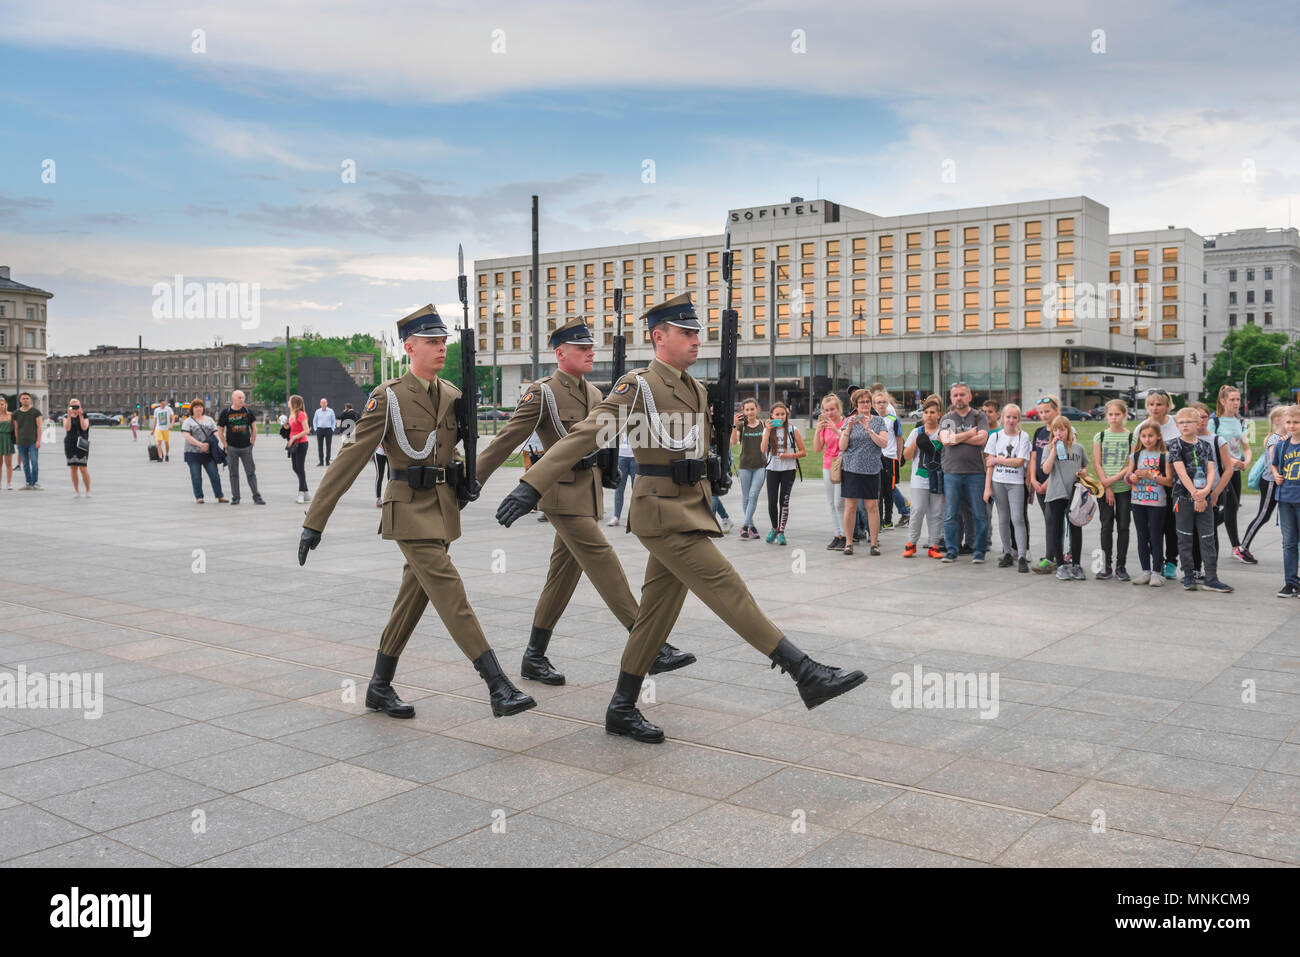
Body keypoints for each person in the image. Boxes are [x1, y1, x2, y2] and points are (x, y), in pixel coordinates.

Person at [494, 293, 866, 743]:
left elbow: (691, 447)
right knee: (728, 587)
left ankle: (622, 708)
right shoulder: (639, 387)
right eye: (686, 333)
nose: (696, 341)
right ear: (659, 337)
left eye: (697, 333)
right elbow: (589, 435)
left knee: (654, 616)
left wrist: (715, 471)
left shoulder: (694, 388)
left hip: (689, 508)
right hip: (660, 514)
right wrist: (532, 484)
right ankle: (804, 672)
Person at [298, 303, 535, 720]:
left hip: (443, 509)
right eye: (431, 342)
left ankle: (378, 687)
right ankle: (498, 685)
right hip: (407, 511)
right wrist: (314, 521)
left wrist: (466, 476)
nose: (441, 348)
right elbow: (349, 460)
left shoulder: (452, 396)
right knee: (450, 592)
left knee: (413, 600)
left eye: (443, 341)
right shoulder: (387, 397)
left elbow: (455, 451)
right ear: (409, 347)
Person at [477, 316, 696, 685]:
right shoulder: (543, 392)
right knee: (601, 556)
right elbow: (508, 438)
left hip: (588, 492)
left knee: (562, 578)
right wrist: (473, 479)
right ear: (561, 353)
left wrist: (607, 467)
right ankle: (649, 641)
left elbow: (604, 437)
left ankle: (534, 657)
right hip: (560, 493)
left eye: (591, 346)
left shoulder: (596, 393)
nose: (590, 352)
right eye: (581, 348)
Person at [1167, 407, 1232, 592]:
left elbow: (1211, 470)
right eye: (1181, 422)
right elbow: (1180, 471)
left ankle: (1211, 577)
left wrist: (1205, 492)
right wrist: (1195, 493)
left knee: (1207, 537)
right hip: (1183, 498)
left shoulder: (1205, 445)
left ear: (1198, 424)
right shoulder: (1175, 445)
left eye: (1189, 422)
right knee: (1185, 537)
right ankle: (1188, 575)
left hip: (1204, 497)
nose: (1185, 425)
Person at [938, 382, 990, 563]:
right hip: (951, 473)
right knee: (951, 514)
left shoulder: (979, 416)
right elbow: (945, 440)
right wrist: (969, 434)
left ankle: (979, 552)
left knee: (979, 513)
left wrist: (956, 438)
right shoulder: (947, 418)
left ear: (969, 397)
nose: (959, 398)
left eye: (962, 394)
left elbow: (982, 439)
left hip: (976, 473)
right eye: (955, 395)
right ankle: (952, 551)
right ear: (951, 398)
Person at [1037, 415, 1089, 581]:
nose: (1059, 432)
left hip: (1074, 493)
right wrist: (1053, 449)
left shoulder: (1078, 448)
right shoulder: (1048, 449)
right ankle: (1060, 565)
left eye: (1062, 429)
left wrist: (1083, 473)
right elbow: (1045, 470)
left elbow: (1084, 466)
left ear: (1068, 430)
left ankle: (1077, 565)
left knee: (1076, 528)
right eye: (1056, 429)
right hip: (1056, 493)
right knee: (1056, 528)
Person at [838, 388, 888, 556]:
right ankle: (848, 542)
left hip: (871, 469)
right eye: (862, 402)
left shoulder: (878, 421)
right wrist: (848, 430)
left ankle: (874, 543)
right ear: (856, 405)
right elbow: (842, 447)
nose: (865, 404)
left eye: (867, 401)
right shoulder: (849, 421)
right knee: (850, 506)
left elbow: (883, 444)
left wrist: (869, 429)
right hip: (851, 469)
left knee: (872, 506)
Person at [1137, 390, 1180, 579]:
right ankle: (1155, 563)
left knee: (1171, 525)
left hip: (1173, 482)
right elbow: (1136, 456)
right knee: (1152, 529)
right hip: (1149, 488)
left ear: (1168, 406)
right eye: (1151, 404)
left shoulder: (1176, 424)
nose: (1155, 408)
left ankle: (1171, 561)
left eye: (1159, 404)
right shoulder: (1142, 427)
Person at [1239, 405, 1289, 564]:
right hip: (1270, 482)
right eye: (1288, 417)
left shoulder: (1286, 437)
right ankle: (1242, 548)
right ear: (1278, 420)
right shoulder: (1274, 439)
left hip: (1280, 483)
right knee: (1263, 515)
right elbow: (1276, 461)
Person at [984, 403, 1031, 572]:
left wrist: (999, 460)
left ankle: (1023, 555)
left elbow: (1019, 462)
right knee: (1003, 518)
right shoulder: (995, 437)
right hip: (998, 482)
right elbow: (989, 464)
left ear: (1018, 419)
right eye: (1008, 417)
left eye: (1014, 417)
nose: (1011, 420)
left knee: (1017, 518)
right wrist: (987, 488)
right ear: (1002, 418)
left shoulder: (1023, 437)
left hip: (1015, 483)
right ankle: (1007, 552)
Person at [1125, 422, 1173, 586]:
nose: (1147, 439)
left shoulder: (1164, 455)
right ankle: (1145, 571)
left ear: (1158, 436)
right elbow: (1127, 476)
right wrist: (1131, 478)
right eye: (1144, 436)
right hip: (1137, 501)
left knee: (1156, 537)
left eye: (1150, 435)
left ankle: (1157, 573)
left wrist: (1150, 475)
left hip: (1157, 503)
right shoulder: (1136, 455)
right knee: (1141, 536)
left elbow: (1169, 481)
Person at [1093, 399, 1133, 581]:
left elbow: (1130, 465)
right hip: (1104, 489)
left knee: (1123, 526)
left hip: (1124, 488)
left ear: (1124, 415)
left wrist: (1114, 481)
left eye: (1117, 414)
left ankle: (1121, 565)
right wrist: (1106, 485)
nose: (1114, 418)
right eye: (1110, 414)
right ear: (1106, 416)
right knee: (1106, 526)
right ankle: (1106, 565)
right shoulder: (1100, 436)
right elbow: (1097, 463)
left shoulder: (1132, 437)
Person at [1210, 386, 1252, 561]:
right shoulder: (1215, 421)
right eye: (1232, 399)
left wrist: (1246, 461)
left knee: (1231, 509)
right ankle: (1236, 547)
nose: (1236, 403)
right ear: (1223, 401)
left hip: (1235, 471)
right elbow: (1212, 447)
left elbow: (1246, 447)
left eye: (1238, 399)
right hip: (1221, 471)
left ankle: (1204, 527)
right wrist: (1232, 461)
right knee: (1232, 507)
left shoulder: (1240, 421)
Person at [901, 394, 945, 559]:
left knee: (936, 513)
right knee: (917, 510)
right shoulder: (916, 431)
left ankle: (934, 545)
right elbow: (905, 455)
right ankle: (911, 542)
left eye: (933, 412)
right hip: (920, 478)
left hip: (938, 478)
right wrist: (917, 442)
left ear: (939, 414)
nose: (929, 415)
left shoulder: (944, 432)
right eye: (926, 412)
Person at [761, 401, 805, 545]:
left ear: (786, 415)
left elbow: (803, 452)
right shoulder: (767, 429)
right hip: (772, 469)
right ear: (771, 416)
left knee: (784, 502)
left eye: (783, 414)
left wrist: (790, 456)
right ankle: (774, 528)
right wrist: (767, 430)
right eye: (777, 414)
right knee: (772, 501)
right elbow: (762, 449)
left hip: (788, 470)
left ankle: (781, 532)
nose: (780, 416)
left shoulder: (793, 429)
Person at [1027, 395, 1060, 568]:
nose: (1044, 415)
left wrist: (1049, 482)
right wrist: (1033, 479)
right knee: (1050, 520)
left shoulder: (1061, 431)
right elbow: (1033, 458)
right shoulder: (1039, 431)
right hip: (1038, 483)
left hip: (1054, 485)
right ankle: (1053, 555)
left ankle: (1051, 557)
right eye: (1041, 412)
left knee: (1051, 519)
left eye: (1048, 411)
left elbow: (1063, 462)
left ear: (1056, 411)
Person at [217, 390, 265, 505]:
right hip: (232, 448)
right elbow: (220, 429)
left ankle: (256, 496)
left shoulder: (248, 411)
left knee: (251, 472)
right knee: (233, 473)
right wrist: (225, 444)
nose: (242, 400)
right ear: (233, 399)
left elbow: (254, 428)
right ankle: (236, 497)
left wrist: (252, 442)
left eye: (243, 398)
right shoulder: (226, 412)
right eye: (239, 398)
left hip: (246, 447)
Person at [1272, 405, 1300, 597]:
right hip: (1285, 498)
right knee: (1289, 542)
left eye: (1296, 422)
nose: (1291, 426)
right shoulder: (1282, 445)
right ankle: (1290, 582)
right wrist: (1276, 475)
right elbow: (1274, 465)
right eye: (1288, 422)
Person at [813, 393, 846, 549]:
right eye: (826, 410)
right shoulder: (825, 426)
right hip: (828, 465)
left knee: (840, 503)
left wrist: (835, 429)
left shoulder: (845, 424)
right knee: (832, 503)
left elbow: (847, 445)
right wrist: (818, 430)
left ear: (839, 408)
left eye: (832, 409)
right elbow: (817, 449)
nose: (829, 413)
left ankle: (846, 535)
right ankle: (837, 534)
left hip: (843, 465)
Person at [731, 397, 766, 539]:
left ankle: (745, 525)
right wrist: (734, 425)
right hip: (745, 466)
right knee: (746, 497)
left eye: (752, 409)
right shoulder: (741, 426)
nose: (750, 412)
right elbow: (734, 442)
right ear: (743, 411)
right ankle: (751, 527)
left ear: (757, 409)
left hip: (760, 466)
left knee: (753, 495)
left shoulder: (763, 425)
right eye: (747, 409)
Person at [181, 399, 227, 503]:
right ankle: (199, 497)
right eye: (196, 407)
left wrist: (208, 443)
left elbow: (216, 433)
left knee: (214, 475)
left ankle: (220, 495)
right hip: (193, 453)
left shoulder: (209, 419)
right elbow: (186, 436)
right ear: (192, 409)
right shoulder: (188, 421)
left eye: (200, 407)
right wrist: (200, 444)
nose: (199, 409)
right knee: (196, 476)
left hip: (208, 453)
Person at [874, 389, 907, 530]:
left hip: (890, 458)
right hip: (876, 459)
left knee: (889, 491)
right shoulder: (873, 420)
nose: (881, 405)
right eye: (878, 402)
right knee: (878, 493)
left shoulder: (893, 420)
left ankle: (888, 520)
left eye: (883, 402)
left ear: (887, 404)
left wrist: (898, 458)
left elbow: (899, 440)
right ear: (874, 405)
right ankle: (879, 521)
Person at [13, 392, 42, 490]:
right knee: (25, 464)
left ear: (30, 400)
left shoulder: (35, 412)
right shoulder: (16, 413)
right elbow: (16, 428)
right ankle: (28, 483)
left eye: (27, 398)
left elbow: (39, 427)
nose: (25, 400)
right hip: (21, 442)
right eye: (23, 398)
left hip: (33, 442)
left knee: (34, 462)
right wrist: (17, 441)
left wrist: (38, 440)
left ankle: (35, 482)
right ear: (20, 400)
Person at [62, 398, 92, 497]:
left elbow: (84, 427)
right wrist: (70, 415)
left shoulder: (84, 415)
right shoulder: (66, 416)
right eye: (73, 406)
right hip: (70, 443)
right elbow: (67, 428)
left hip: (82, 443)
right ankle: (76, 491)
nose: (75, 408)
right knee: (73, 468)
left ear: (80, 406)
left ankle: (88, 490)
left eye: (77, 406)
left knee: (83, 468)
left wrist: (80, 415)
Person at [286, 394, 311, 503]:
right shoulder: (291, 415)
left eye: (289, 401)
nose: (288, 402)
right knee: (295, 467)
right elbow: (292, 429)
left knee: (300, 467)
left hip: (301, 443)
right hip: (293, 444)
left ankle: (301, 494)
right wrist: (286, 427)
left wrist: (294, 437)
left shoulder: (301, 414)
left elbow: (306, 430)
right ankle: (306, 492)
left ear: (294, 403)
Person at [313, 398, 336, 466]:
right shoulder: (317, 411)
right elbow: (315, 421)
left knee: (328, 446)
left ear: (327, 403)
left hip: (328, 430)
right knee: (320, 447)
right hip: (319, 430)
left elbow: (333, 421)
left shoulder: (331, 411)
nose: (323, 404)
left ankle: (327, 461)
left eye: (324, 402)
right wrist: (315, 429)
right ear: (320, 403)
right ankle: (321, 462)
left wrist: (332, 429)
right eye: (322, 403)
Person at [0, 396, 14, 490]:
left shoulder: (11, 415)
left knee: (8, 464)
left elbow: (16, 428)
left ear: (5, 405)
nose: (0, 406)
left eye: (2, 404)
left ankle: (9, 483)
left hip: (8, 439)